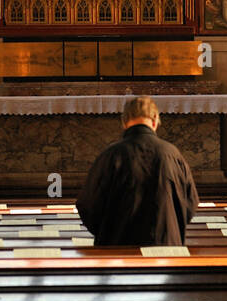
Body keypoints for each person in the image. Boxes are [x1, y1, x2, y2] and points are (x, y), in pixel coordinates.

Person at [76, 96, 199, 247]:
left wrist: (107, 232)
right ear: (155, 120)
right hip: (165, 251)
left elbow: (87, 204)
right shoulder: (173, 154)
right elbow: (190, 203)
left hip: (118, 251)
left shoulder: (110, 155)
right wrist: (170, 229)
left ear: (124, 122)